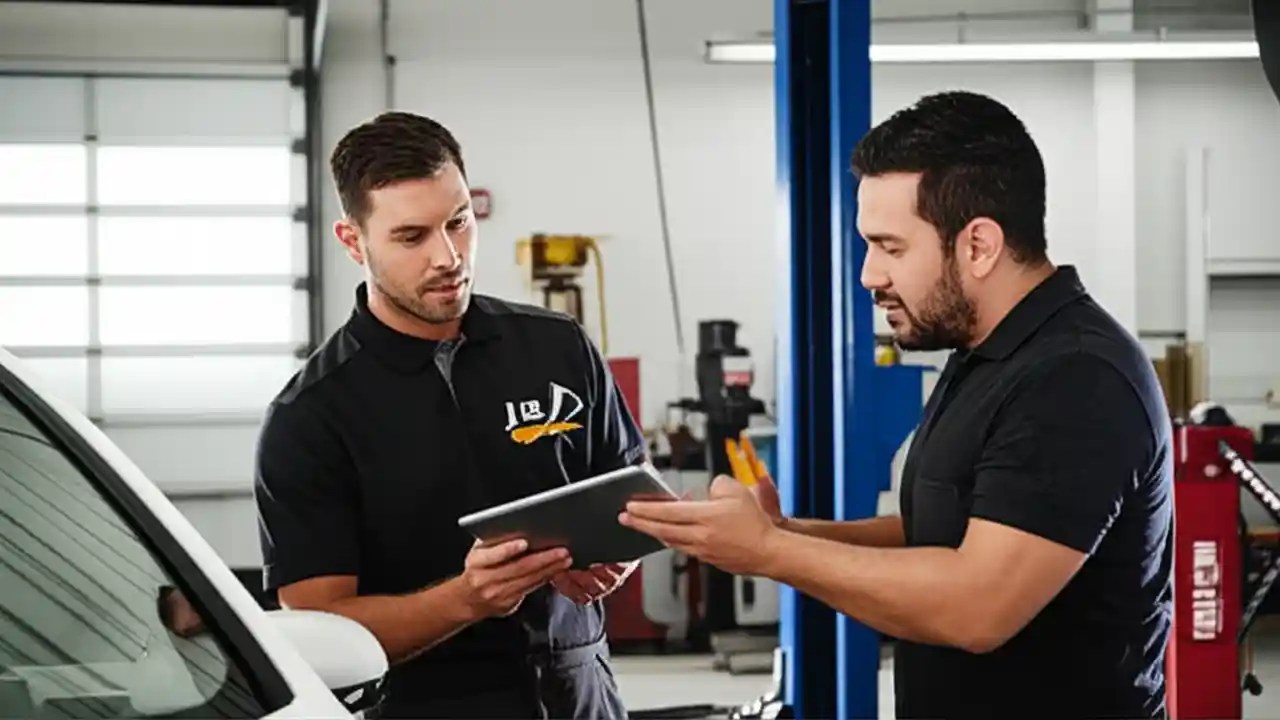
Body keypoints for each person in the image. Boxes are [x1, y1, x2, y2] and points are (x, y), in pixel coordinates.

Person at [621, 91, 1173, 719]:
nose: (868, 275)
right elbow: (943, 532)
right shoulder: (981, 355)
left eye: (891, 247)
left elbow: (977, 606)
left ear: (979, 246)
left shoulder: (1076, 376)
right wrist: (785, 532)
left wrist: (769, 553)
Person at [253, 111, 645, 719]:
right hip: (431, 702)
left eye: (459, 223)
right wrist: (466, 599)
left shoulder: (558, 346)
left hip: (581, 691)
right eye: (411, 237)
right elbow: (318, 632)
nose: (448, 256)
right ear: (353, 241)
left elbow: (632, 496)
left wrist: (612, 555)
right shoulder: (309, 416)